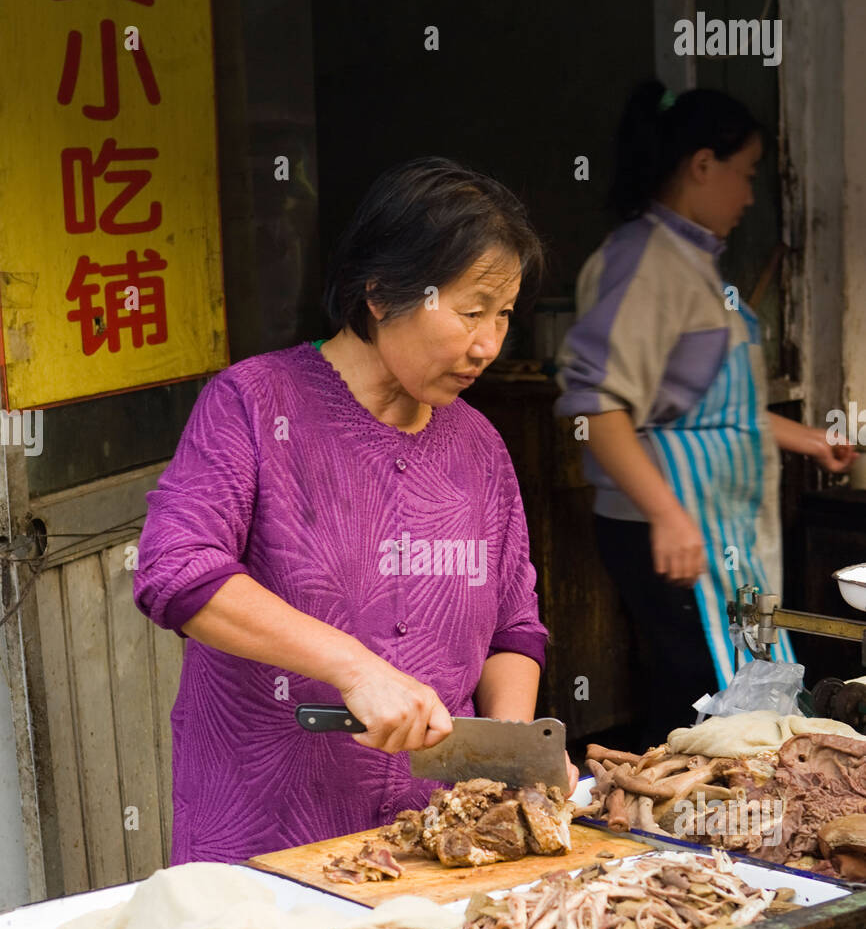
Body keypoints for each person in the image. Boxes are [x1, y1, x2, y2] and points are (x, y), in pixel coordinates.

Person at [134, 156, 578, 862]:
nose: (488, 345)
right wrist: (356, 668)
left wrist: (507, 759)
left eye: (502, 317)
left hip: (431, 846)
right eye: (469, 313)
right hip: (267, 836)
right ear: (380, 293)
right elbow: (177, 574)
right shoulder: (253, 404)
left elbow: (513, 629)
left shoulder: (479, 445)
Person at [555, 81, 857, 747]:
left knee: (716, 689)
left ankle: (704, 829)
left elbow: (711, 411)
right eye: (745, 174)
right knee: (698, 692)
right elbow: (597, 405)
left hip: (707, 525)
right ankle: (682, 831)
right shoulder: (640, 264)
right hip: (664, 526)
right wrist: (666, 513)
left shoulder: (692, 263)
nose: (749, 196)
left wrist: (810, 441)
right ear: (701, 166)